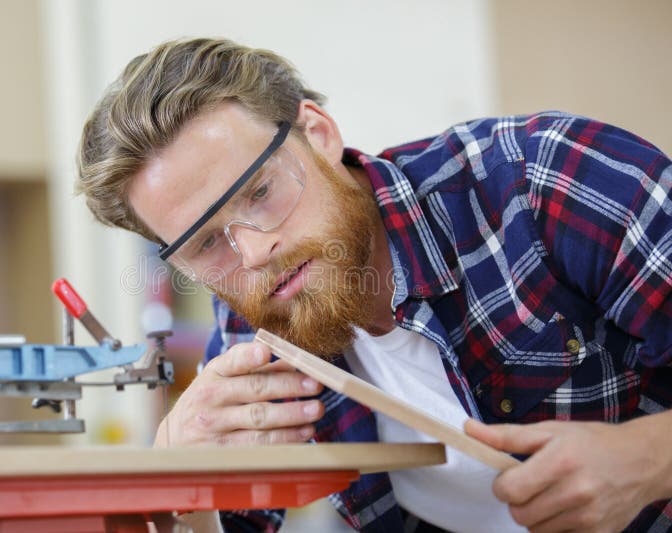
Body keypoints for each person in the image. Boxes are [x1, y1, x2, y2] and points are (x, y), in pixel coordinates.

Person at [76, 38, 672, 532]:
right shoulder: (255, 316)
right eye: (206, 243)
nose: (253, 253)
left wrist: (644, 459)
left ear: (318, 135)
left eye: (259, 192)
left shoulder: (540, 180)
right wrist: (176, 477)